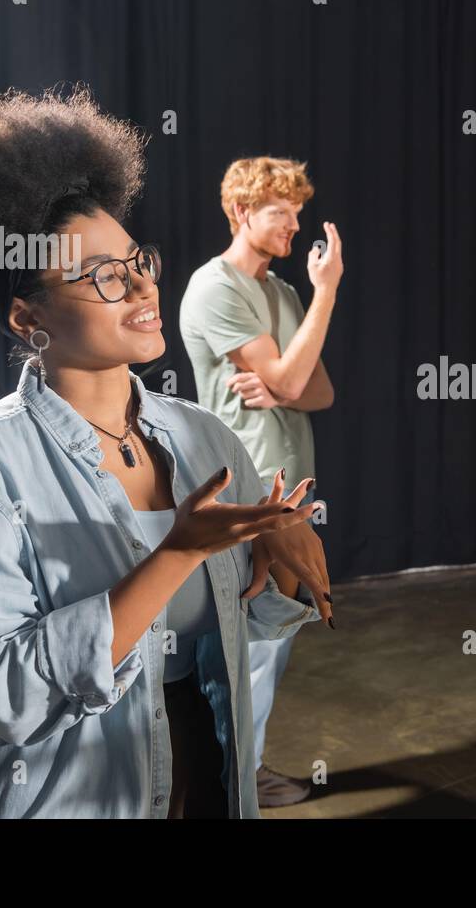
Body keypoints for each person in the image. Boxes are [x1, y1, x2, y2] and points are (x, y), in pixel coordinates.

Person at [0, 84, 332, 818]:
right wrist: (176, 552)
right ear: (29, 317)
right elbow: (5, 691)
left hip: (199, 779)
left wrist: (276, 547)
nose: (142, 285)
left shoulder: (203, 437)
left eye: (136, 260)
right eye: (104, 277)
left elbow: (244, 628)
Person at [179, 156, 340, 807]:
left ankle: (243, 769)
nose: (296, 227)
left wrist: (281, 390)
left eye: (299, 214)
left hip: (288, 496)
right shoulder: (214, 288)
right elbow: (298, 379)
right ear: (242, 213)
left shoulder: (283, 294)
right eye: (282, 214)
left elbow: (319, 389)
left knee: (267, 646)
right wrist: (328, 290)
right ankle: (223, 780)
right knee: (241, 649)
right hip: (243, 498)